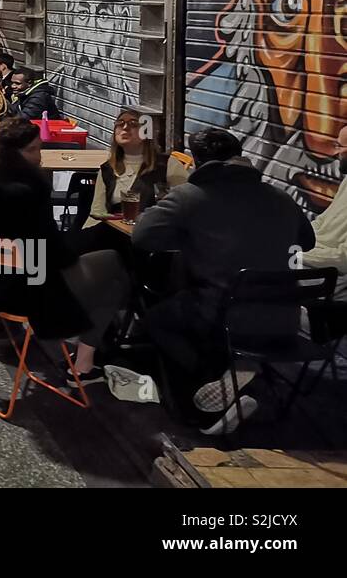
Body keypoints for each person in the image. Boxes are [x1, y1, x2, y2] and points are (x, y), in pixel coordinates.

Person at [132, 127, 316, 432]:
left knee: (157, 319)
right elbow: (306, 241)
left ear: (196, 161)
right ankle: (237, 376)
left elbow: (142, 237)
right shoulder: (280, 197)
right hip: (284, 318)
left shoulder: (189, 196)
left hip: (220, 319)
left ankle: (204, 400)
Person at [0, 118, 132, 388]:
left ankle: (89, 344)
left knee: (101, 251)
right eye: (32, 149)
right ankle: (84, 363)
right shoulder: (28, 191)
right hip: (31, 288)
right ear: (13, 153)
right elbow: (54, 254)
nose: (38, 156)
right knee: (117, 272)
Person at [69, 106, 167, 254]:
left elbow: (186, 203)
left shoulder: (165, 164)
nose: (125, 127)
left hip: (149, 236)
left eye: (133, 124)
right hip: (114, 235)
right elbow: (97, 212)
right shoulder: (108, 168)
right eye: (120, 123)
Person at [303, 125, 347, 297]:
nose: (336, 154)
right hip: (314, 261)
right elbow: (323, 220)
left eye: (340, 146)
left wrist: (298, 254)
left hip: (332, 275)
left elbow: (343, 259)